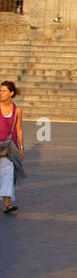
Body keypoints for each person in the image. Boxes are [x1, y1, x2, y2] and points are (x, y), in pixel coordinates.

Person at [0, 81, 24, 213]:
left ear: (11, 93)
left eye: (4, 91)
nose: (1, 93)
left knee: (8, 173)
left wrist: (21, 147)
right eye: (0, 90)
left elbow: (19, 129)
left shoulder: (17, 110)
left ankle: (7, 204)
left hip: (9, 147)